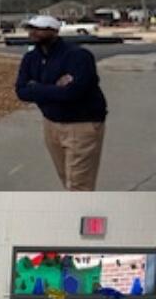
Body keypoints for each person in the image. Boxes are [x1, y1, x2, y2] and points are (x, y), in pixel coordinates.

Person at [15, 15, 109, 191]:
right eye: (30, 28)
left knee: (78, 184)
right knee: (65, 177)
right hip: (51, 123)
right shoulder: (30, 58)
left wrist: (37, 88)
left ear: (54, 31)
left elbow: (73, 92)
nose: (33, 32)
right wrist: (53, 87)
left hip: (81, 124)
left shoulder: (78, 56)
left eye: (38, 28)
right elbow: (21, 91)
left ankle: (79, 216)